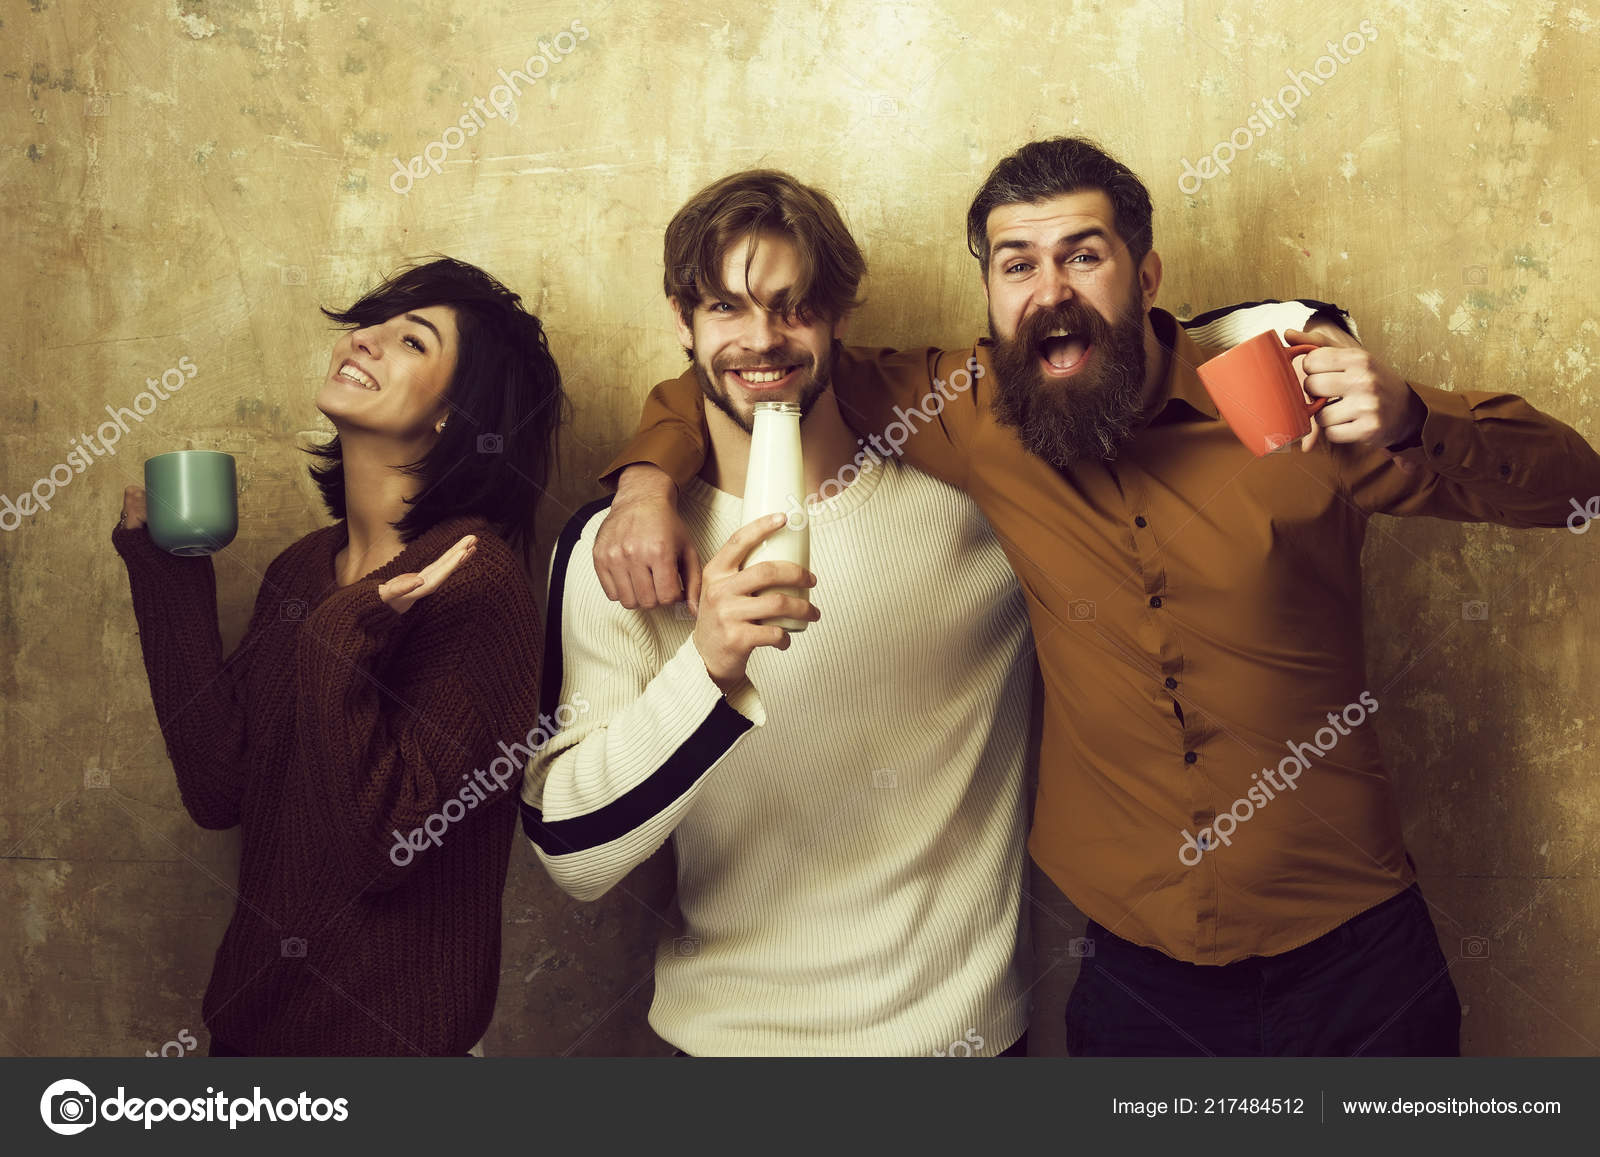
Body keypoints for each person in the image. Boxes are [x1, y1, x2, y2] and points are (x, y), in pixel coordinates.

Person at [591, 138, 1600, 1056]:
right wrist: (645, 479)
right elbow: (762, 357)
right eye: (1016, 264)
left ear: (1145, 274)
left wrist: (1415, 414)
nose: (1050, 291)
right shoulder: (965, 409)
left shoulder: (1289, 402)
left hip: (1356, 957)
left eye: (1083, 255)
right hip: (1136, 979)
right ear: (987, 291)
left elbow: (1572, 487)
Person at [523, 168, 1343, 1056]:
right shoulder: (622, 549)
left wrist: (1321, 329)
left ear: (841, 317)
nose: (763, 340)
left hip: (969, 1049)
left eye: (795, 307)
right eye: (726, 308)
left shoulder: (977, 499)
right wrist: (707, 667)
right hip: (723, 1051)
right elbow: (571, 856)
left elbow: (1145, 343)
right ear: (681, 320)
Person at [113, 257, 565, 1056]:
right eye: (375, 323)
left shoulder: (472, 581)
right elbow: (221, 786)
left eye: (411, 339)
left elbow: (387, 846)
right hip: (250, 1045)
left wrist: (336, 640)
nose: (366, 340)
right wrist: (167, 570)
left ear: (454, 417)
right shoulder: (303, 569)